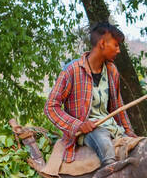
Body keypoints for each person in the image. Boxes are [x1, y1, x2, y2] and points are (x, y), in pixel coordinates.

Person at [45, 21, 135, 167]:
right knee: (107, 150)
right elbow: (50, 107)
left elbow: (118, 107)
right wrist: (79, 125)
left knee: (137, 148)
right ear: (102, 44)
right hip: (89, 132)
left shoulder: (112, 71)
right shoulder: (72, 70)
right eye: (116, 45)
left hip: (112, 127)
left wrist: (130, 133)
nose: (118, 50)